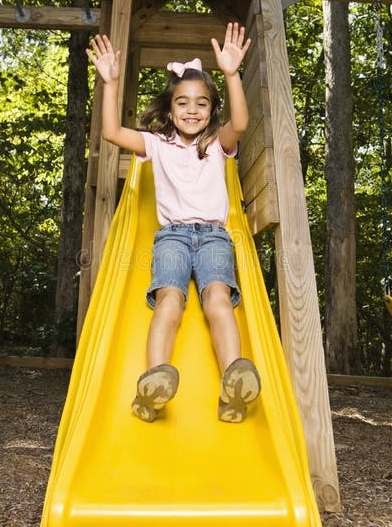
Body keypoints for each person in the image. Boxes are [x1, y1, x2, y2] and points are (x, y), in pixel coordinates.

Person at [86, 22, 261, 423]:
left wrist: (232, 75)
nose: (192, 111)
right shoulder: (156, 144)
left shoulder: (219, 143)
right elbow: (111, 131)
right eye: (182, 103)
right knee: (170, 300)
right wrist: (110, 83)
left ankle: (233, 382)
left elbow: (242, 123)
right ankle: (154, 381)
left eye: (202, 104)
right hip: (172, 238)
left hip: (215, 237)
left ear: (212, 111)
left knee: (219, 299)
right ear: (169, 109)